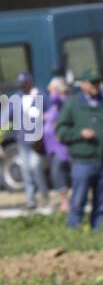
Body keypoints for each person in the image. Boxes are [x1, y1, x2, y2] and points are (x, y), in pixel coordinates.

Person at [55, 69, 103, 230]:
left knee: (102, 201)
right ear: (83, 84)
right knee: (78, 199)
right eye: (92, 83)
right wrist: (79, 134)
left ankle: (98, 230)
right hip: (82, 161)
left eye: (98, 82)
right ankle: (74, 228)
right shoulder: (73, 104)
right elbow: (61, 131)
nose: (96, 86)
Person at [16, 72, 49, 211]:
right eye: (21, 85)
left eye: (25, 83)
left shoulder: (40, 95)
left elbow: (51, 111)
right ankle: (31, 200)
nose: (23, 87)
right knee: (25, 170)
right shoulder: (17, 98)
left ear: (30, 82)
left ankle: (43, 196)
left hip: (37, 140)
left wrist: (44, 117)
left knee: (36, 168)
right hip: (23, 140)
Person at [42, 77, 72, 213]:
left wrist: (55, 91)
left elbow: (55, 100)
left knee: (59, 172)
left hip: (59, 147)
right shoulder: (56, 104)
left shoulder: (61, 99)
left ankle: (65, 202)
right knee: (57, 173)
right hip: (52, 147)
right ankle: (64, 201)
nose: (49, 91)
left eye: (51, 88)